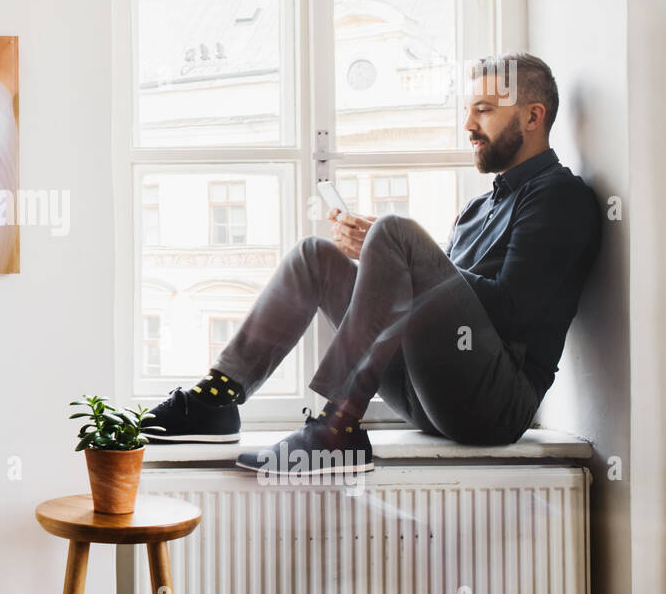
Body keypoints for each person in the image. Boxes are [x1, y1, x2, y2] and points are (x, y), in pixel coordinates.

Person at [146, 52, 602, 477]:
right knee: (316, 256)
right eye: (468, 110)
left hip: (494, 404)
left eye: (483, 109)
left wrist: (394, 250)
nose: (468, 125)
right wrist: (384, 262)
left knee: (393, 229)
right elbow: (440, 306)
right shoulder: (477, 208)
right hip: (428, 393)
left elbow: (512, 312)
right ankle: (217, 399)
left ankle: (337, 424)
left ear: (532, 116)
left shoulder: (560, 197)